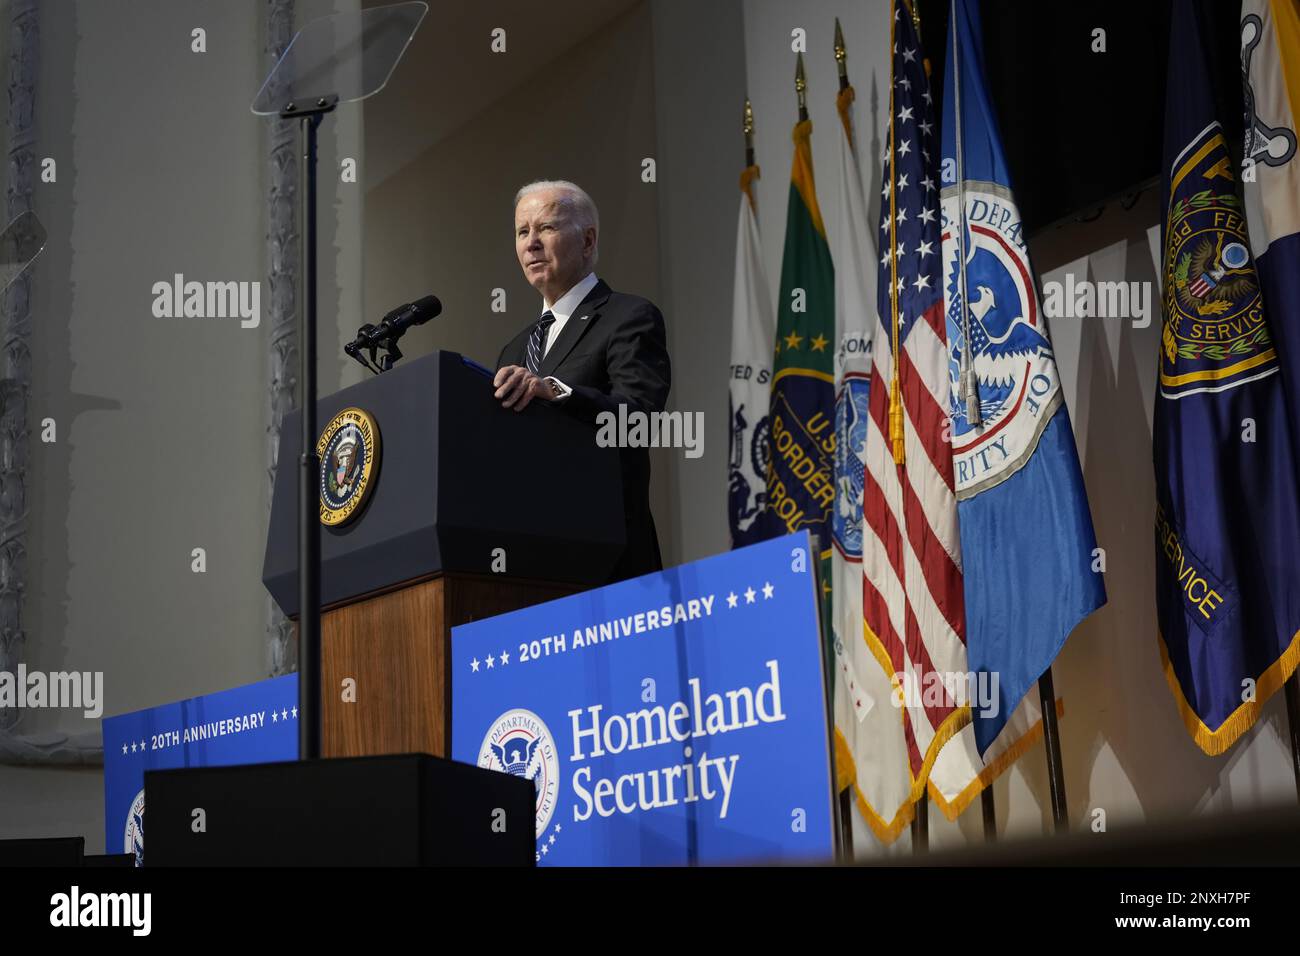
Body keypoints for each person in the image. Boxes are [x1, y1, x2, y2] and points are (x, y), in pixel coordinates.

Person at [494, 180, 671, 581]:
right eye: (523, 232)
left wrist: (554, 390)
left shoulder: (628, 316)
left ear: (588, 240)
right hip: (528, 563)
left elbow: (639, 419)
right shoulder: (514, 350)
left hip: (608, 556)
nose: (531, 243)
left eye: (547, 228)